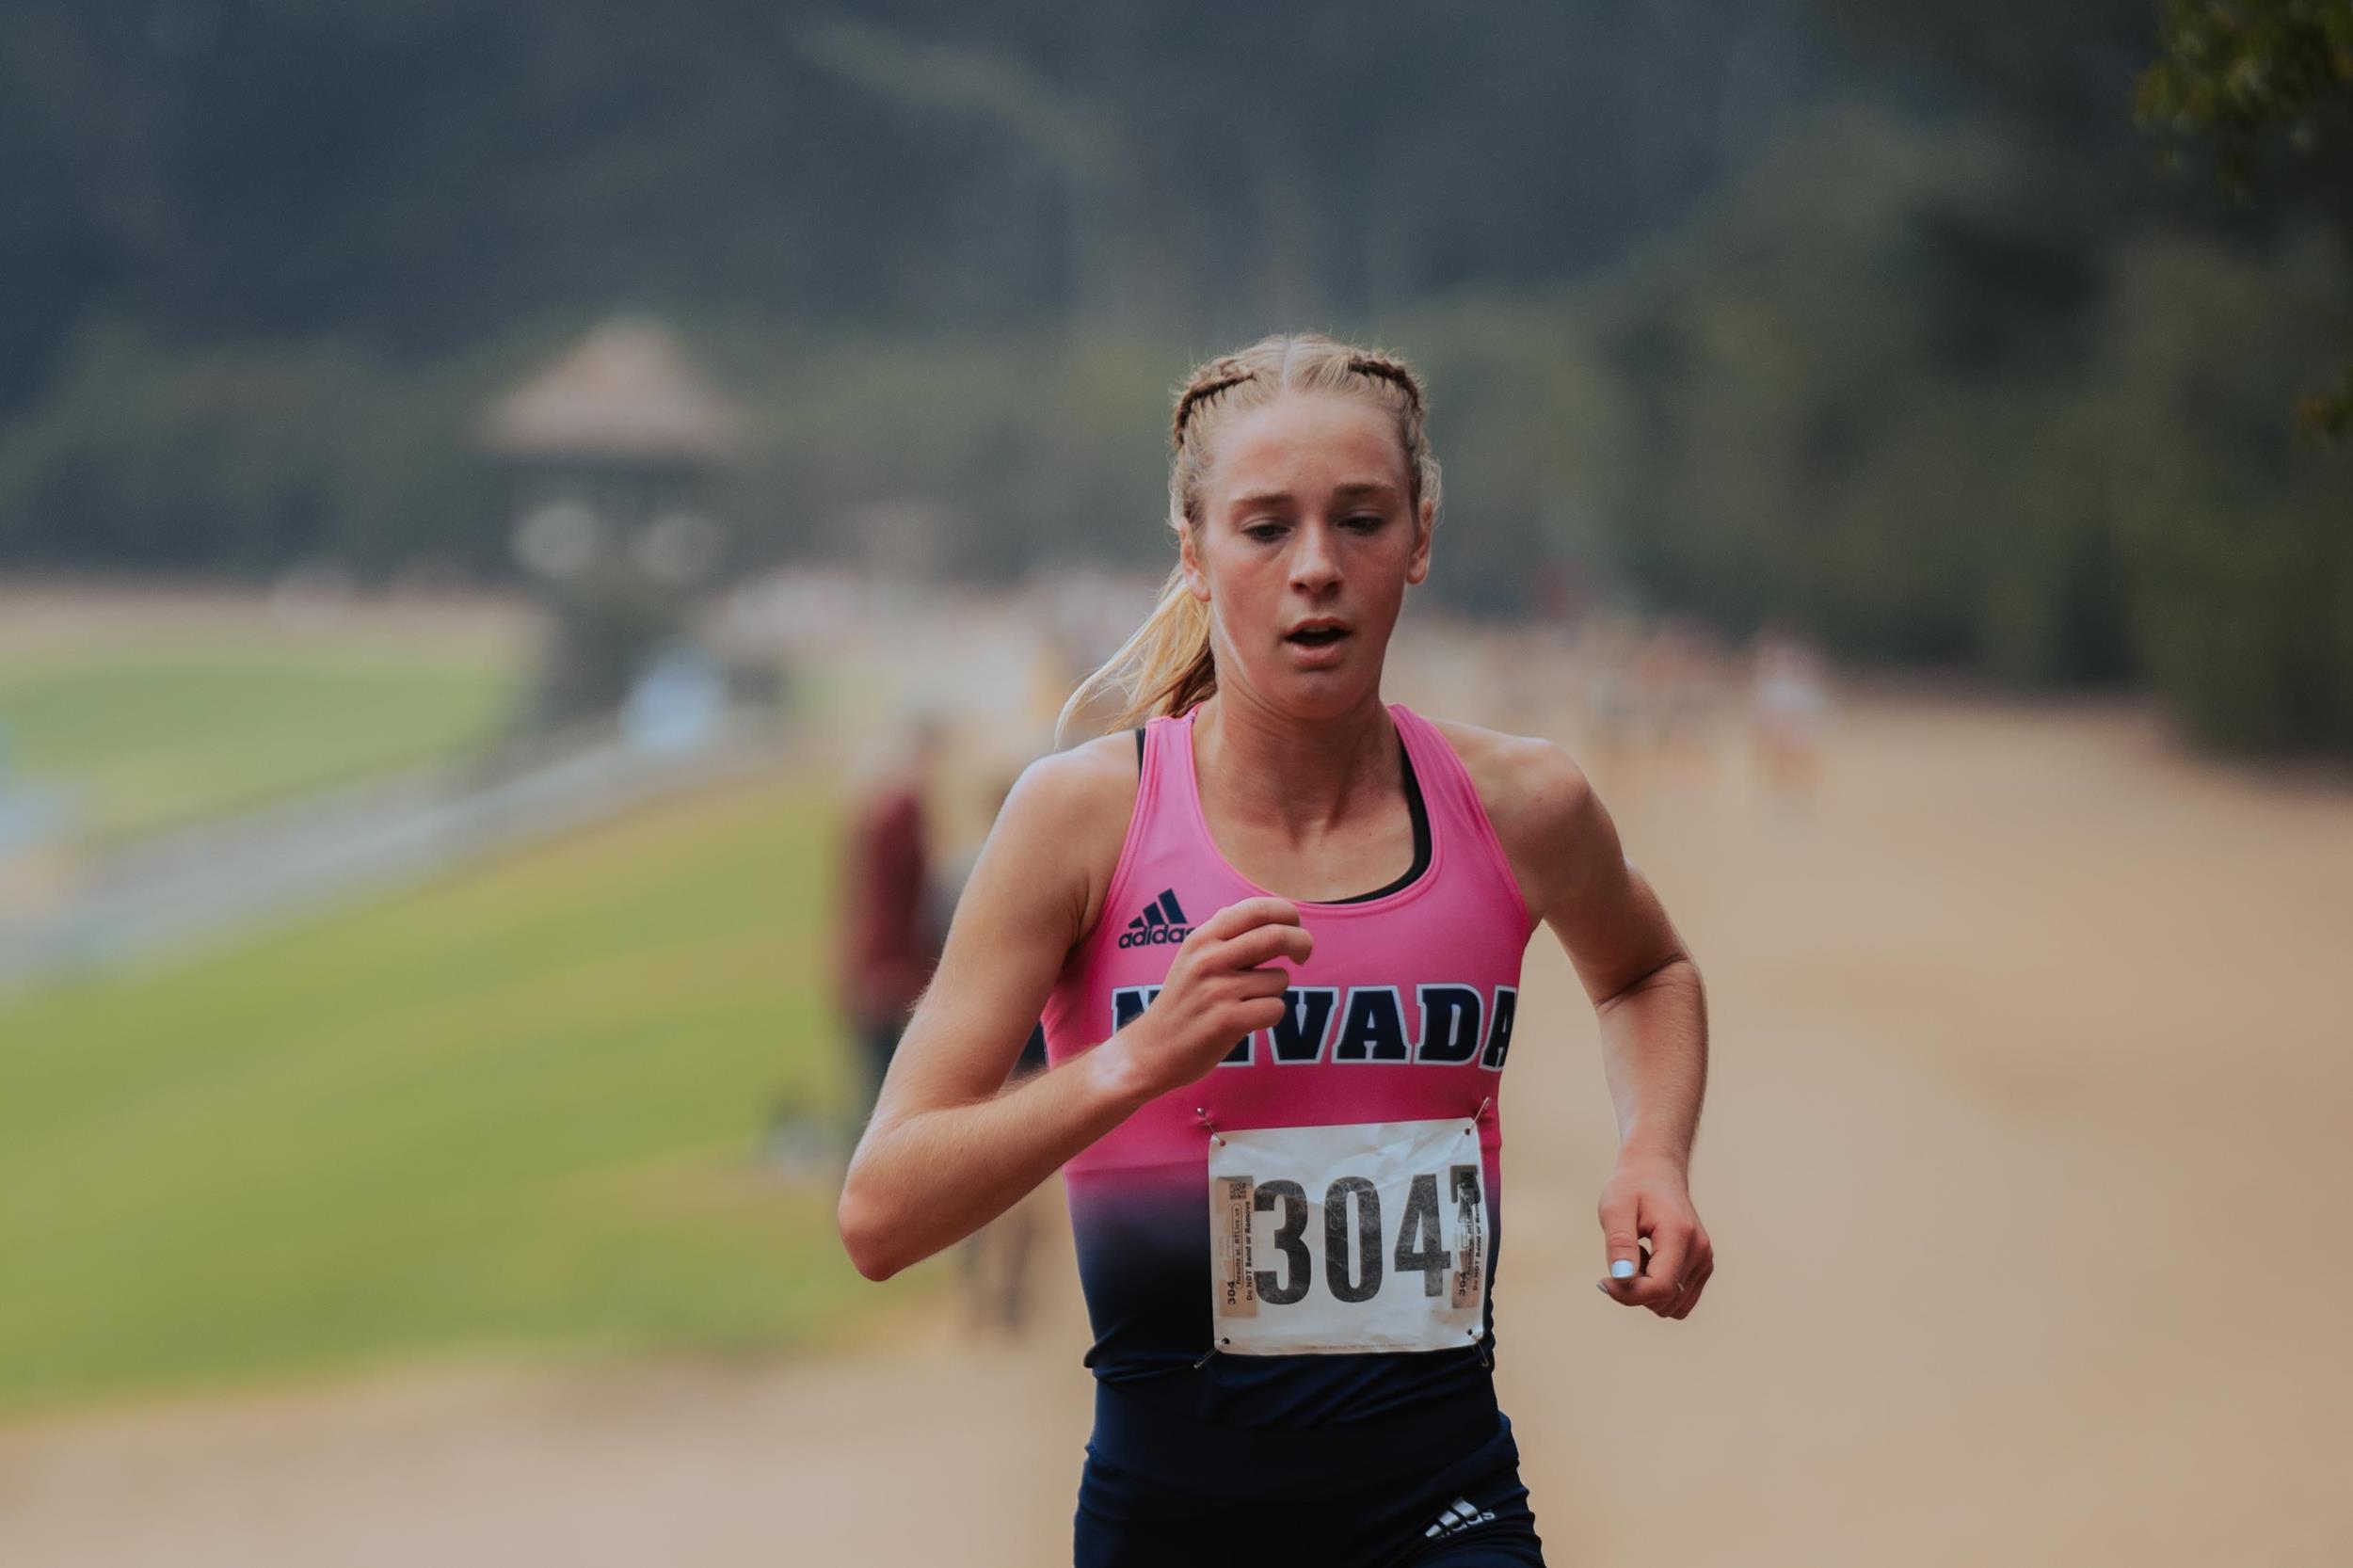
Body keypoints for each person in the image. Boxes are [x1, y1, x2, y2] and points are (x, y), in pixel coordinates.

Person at [838, 333, 1713, 1566]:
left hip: (1443, 1505)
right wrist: (1131, 1062)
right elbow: (880, 1211)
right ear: (1193, 554)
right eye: (1265, 528)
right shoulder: (1083, 818)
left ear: (1420, 540)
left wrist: (1656, 1151)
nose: (1317, 568)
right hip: (1174, 1523)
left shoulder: (1522, 801)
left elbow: (1646, 971)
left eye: (1361, 520)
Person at [832, 712, 950, 1136]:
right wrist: (896, 973)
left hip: (876, 970)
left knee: (881, 1097)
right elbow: (894, 905)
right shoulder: (900, 813)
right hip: (887, 976)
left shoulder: (880, 809)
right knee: (886, 1103)